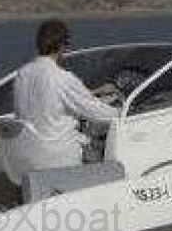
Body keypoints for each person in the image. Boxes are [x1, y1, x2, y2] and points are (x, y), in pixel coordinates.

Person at [11, 19, 119, 169]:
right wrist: (126, 112)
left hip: (29, 155)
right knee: (104, 143)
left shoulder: (22, 74)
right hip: (59, 156)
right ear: (62, 46)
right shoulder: (62, 77)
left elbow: (47, 97)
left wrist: (94, 92)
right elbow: (99, 113)